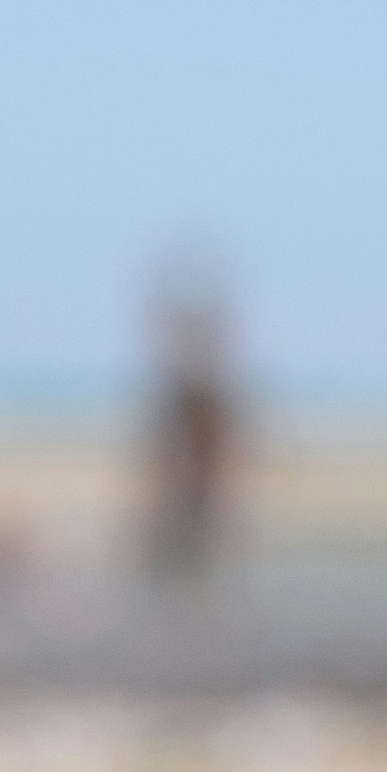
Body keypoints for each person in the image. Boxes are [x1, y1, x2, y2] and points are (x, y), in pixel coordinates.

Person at [140, 251, 245, 598]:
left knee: (197, 543)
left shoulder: (204, 394)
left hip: (198, 491)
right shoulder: (184, 392)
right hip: (183, 491)